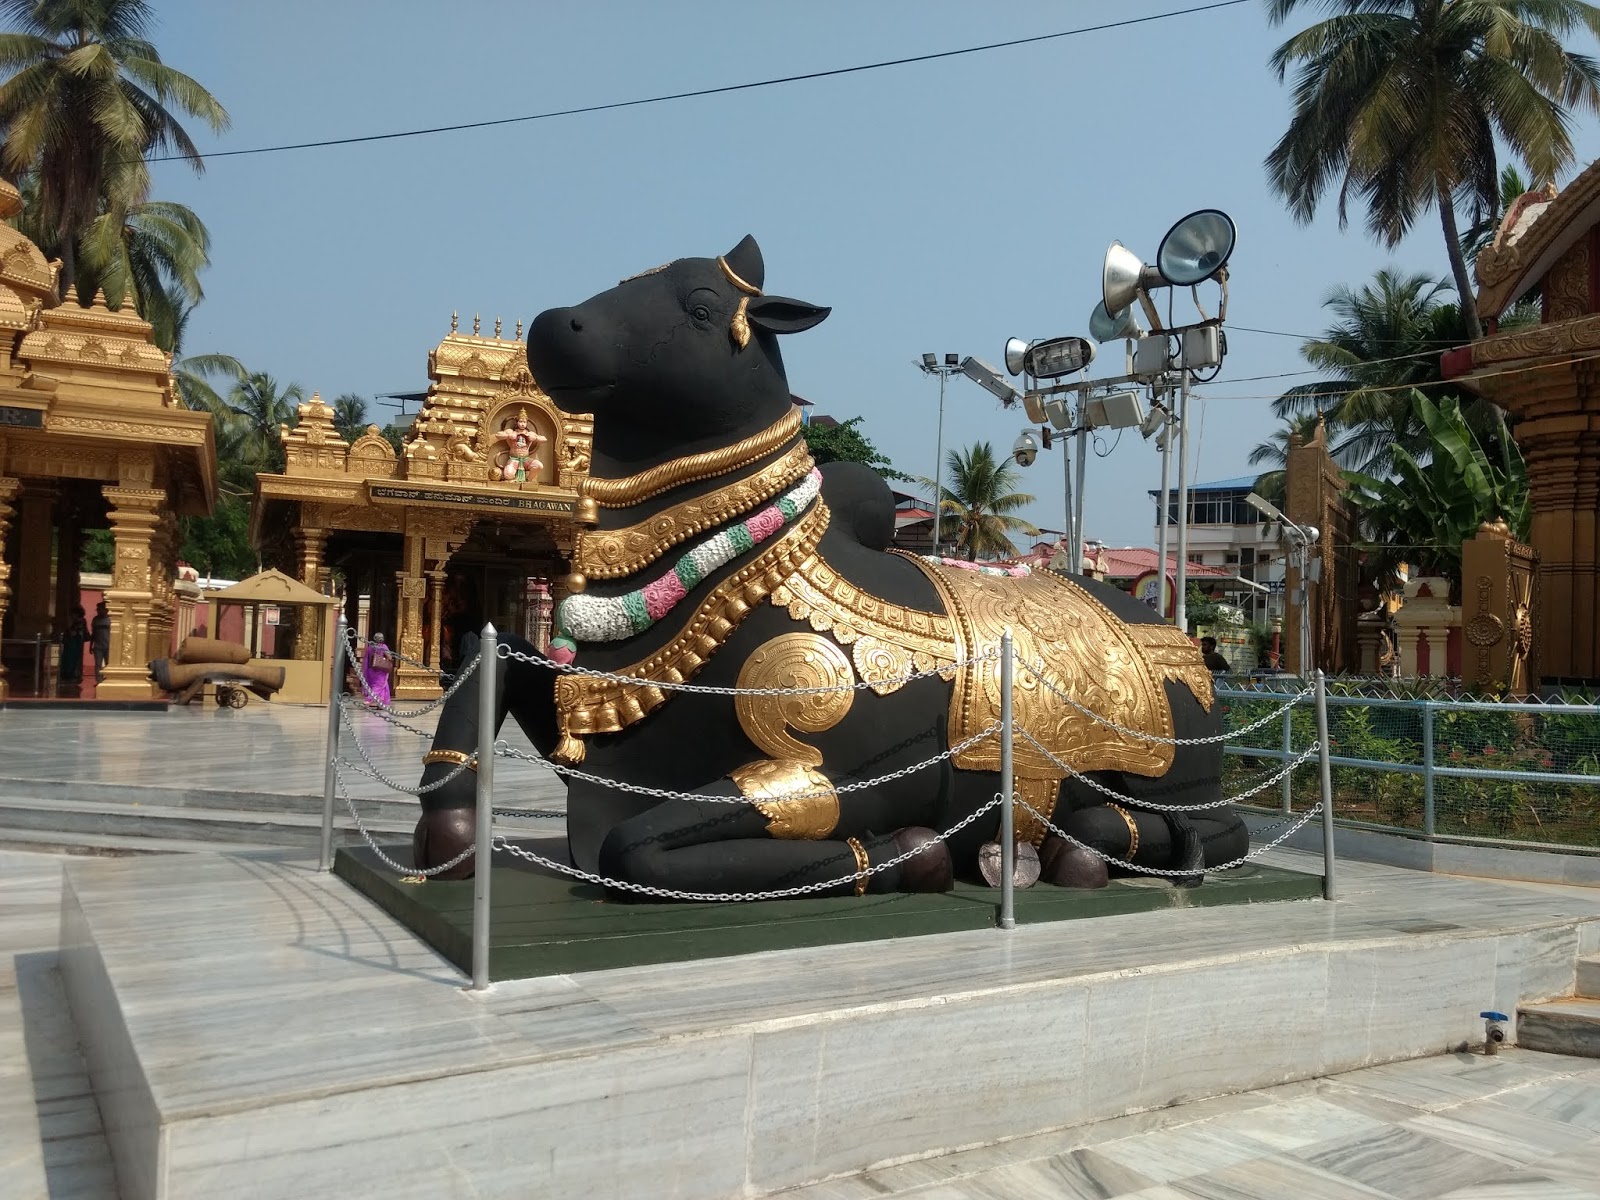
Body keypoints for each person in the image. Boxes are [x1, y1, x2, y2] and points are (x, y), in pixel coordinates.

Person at [361, 632, 395, 707]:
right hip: (380, 670)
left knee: (374, 686)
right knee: (379, 686)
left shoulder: (370, 647)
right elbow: (389, 657)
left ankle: (380, 702)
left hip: (371, 670)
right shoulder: (383, 646)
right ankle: (369, 700)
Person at [60, 606, 89, 686]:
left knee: (71, 658)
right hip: (74, 641)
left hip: (75, 641)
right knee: (70, 657)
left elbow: (74, 632)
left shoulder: (79, 622)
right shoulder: (78, 621)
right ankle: (68, 674)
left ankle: (69, 675)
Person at [91, 601, 112, 681]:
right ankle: (99, 680)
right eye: (98, 609)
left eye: (100, 609)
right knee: (98, 664)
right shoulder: (95, 619)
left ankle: (108, 680)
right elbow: (93, 633)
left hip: (109, 645)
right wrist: (91, 645)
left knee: (108, 664)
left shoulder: (110, 619)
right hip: (98, 646)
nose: (98, 611)